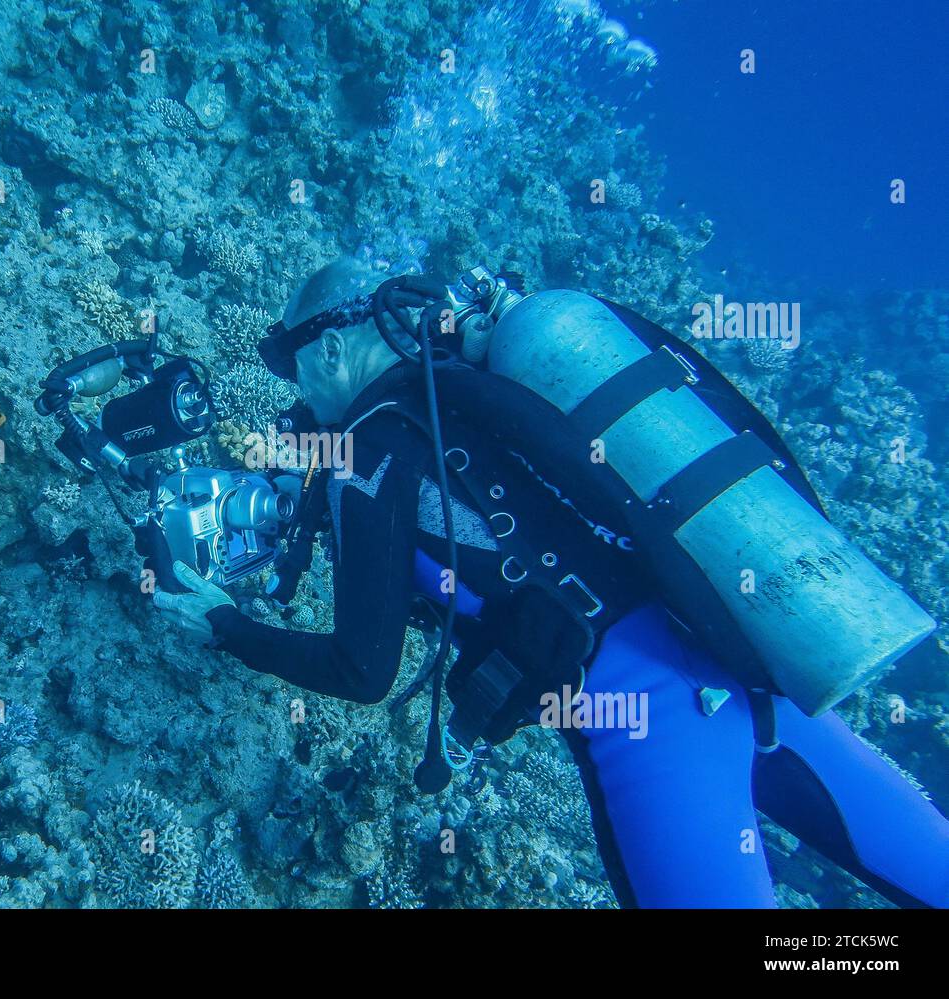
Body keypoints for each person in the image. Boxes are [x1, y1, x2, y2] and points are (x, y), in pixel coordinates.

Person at [153, 258, 949, 908]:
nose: (297, 392)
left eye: (289, 365)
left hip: (652, 729)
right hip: (743, 657)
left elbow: (364, 669)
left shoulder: (370, 443)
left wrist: (230, 626)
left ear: (329, 349)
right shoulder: (471, 395)